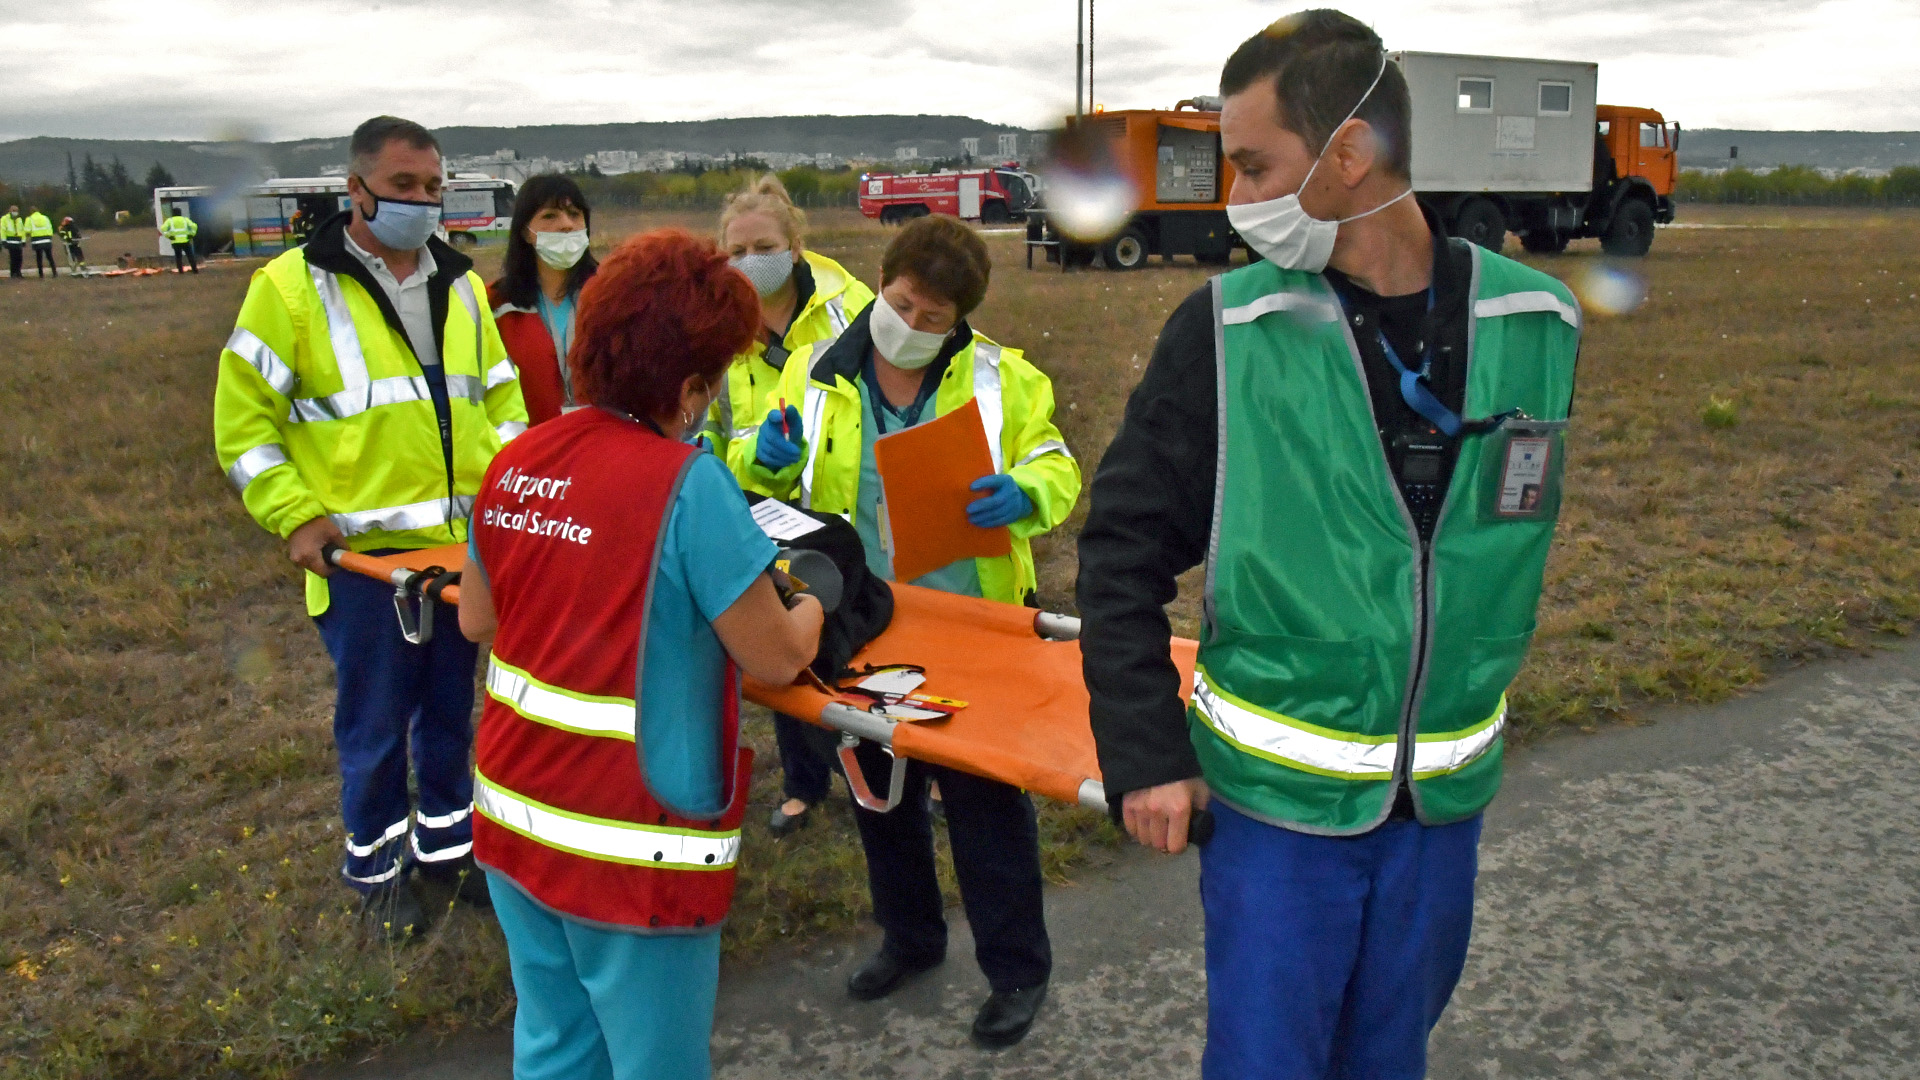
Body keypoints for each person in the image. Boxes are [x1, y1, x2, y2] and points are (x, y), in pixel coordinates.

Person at [1077, 12, 1583, 1080]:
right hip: (1276, 822)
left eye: (1255, 164)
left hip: (1443, 808)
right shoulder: (1226, 331)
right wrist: (1146, 755)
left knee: (1390, 1057)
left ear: (1349, 155)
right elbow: (1119, 553)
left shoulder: (1539, 320)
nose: (1236, 195)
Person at [458, 227, 824, 1080]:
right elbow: (772, 659)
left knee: (555, 1049)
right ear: (693, 388)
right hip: (632, 844)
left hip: (515, 814)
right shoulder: (689, 483)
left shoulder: (516, 460)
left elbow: (479, 619)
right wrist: (809, 607)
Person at [740, 214, 1081, 1047]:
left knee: (984, 803)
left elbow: (1058, 465)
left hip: (971, 622)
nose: (914, 323)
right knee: (878, 793)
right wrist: (770, 457)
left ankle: (1016, 971)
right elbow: (756, 464)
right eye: (903, 302)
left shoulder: (1006, 378)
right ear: (881, 282)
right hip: (860, 623)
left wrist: (1024, 492)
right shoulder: (817, 372)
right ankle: (912, 938)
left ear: (961, 317)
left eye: (937, 315)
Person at [212, 115, 529, 939]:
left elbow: (500, 398)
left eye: (433, 188)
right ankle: (378, 873)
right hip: (361, 565)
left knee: (449, 715)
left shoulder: (459, 285)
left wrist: (518, 499)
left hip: (459, 554)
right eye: (402, 188)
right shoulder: (289, 288)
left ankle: (448, 854)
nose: (423, 202)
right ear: (356, 191)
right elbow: (245, 425)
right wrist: (295, 514)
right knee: (376, 723)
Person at [712, 172, 875, 835]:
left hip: (851, 516)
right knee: (786, 648)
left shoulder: (853, 307)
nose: (751, 261)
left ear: (797, 244)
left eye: (765, 245)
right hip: (768, 520)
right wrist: (756, 462)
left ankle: (886, 769)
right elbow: (705, 443)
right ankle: (805, 782)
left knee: (863, 650)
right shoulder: (716, 332)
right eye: (737, 251)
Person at [488, 174, 598, 426]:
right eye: (550, 216)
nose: (566, 225)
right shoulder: (494, 304)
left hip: (604, 450)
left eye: (574, 214)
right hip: (530, 450)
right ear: (526, 232)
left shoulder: (615, 296)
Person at [162, 208, 199, 273]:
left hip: (175, 241)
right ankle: (194, 269)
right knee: (190, 255)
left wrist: (169, 236)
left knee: (178, 256)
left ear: (173, 213)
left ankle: (180, 270)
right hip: (186, 241)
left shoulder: (169, 220)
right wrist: (192, 234)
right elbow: (194, 226)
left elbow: (163, 228)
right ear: (180, 213)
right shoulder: (185, 220)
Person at [24, 206, 56, 277]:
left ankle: (41, 273)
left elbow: (27, 230)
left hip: (36, 240)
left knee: (39, 257)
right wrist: (49, 236)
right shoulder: (45, 218)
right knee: (49, 256)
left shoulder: (29, 219)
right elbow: (50, 228)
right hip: (47, 239)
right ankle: (54, 272)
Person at [0, 205, 23, 278]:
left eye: (16, 211)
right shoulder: (5, 219)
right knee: (13, 257)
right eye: (14, 210)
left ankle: (18, 272)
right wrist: (4, 240)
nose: (15, 212)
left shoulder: (19, 219)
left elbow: (22, 230)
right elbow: (2, 230)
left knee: (19, 258)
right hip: (10, 240)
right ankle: (13, 273)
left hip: (18, 240)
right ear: (10, 211)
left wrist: (23, 240)